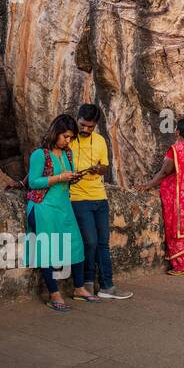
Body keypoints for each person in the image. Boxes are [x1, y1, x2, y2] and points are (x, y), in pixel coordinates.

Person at [23, 115, 96, 312]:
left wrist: (72, 177)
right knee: (47, 250)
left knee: (77, 245)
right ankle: (53, 293)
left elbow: (64, 180)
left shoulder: (67, 154)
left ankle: (79, 288)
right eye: (65, 136)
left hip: (63, 207)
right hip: (43, 208)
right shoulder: (40, 154)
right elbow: (34, 182)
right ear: (56, 132)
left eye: (71, 137)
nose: (68, 141)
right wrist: (59, 177)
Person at [69, 104, 132, 299]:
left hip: (100, 197)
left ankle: (107, 286)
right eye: (83, 125)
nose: (86, 130)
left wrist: (99, 170)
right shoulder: (68, 139)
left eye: (90, 126)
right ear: (77, 118)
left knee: (103, 243)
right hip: (78, 198)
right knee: (90, 242)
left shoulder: (100, 141)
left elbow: (105, 166)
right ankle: (86, 284)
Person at [138, 119, 184, 275]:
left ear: (178, 132)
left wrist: (147, 185)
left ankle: (182, 265)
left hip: (178, 191)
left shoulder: (176, 148)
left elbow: (164, 172)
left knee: (177, 225)